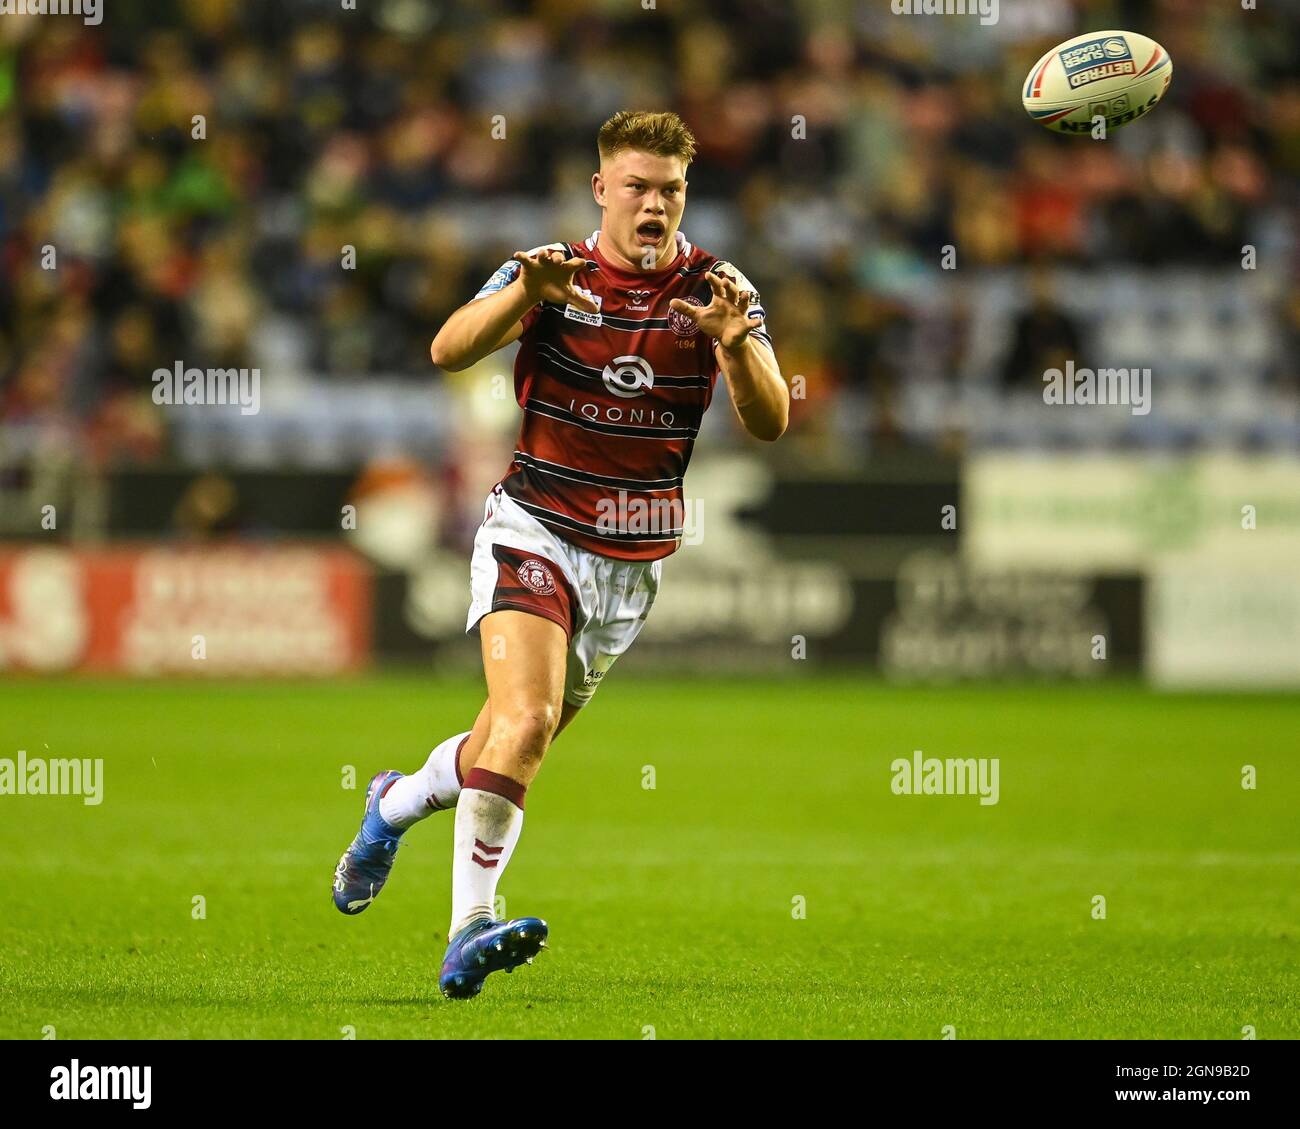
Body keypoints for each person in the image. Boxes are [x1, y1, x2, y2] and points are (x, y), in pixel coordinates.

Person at [331, 110, 788, 999]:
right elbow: (447, 348)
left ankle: (389, 805)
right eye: (637, 187)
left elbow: (771, 422)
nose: (653, 205)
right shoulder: (552, 271)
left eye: (671, 190)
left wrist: (736, 346)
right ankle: (469, 928)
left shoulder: (719, 286)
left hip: (631, 566)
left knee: (508, 740)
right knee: (528, 719)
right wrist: (523, 296)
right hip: (532, 529)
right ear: (602, 189)